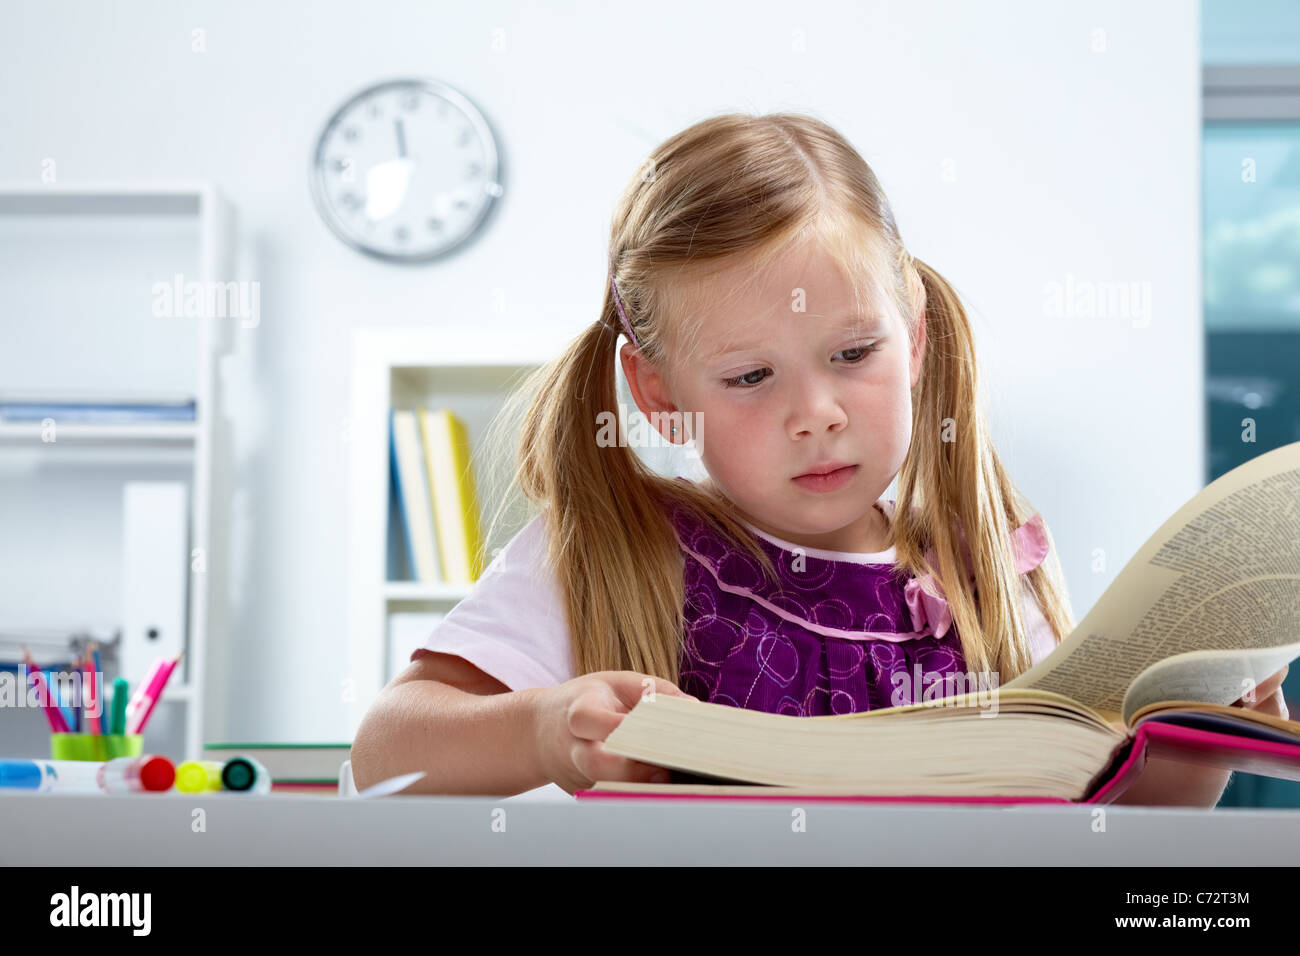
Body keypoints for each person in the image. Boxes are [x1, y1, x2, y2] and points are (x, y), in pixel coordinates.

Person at [351, 112, 1286, 804]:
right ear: (659, 392)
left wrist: (1201, 733)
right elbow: (387, 750)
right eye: (752, 376)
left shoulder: (987, 573)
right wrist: (546, 732)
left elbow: (1119, 831)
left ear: (913, 339)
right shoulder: (612, 551)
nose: (817, 414)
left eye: (852, 354)